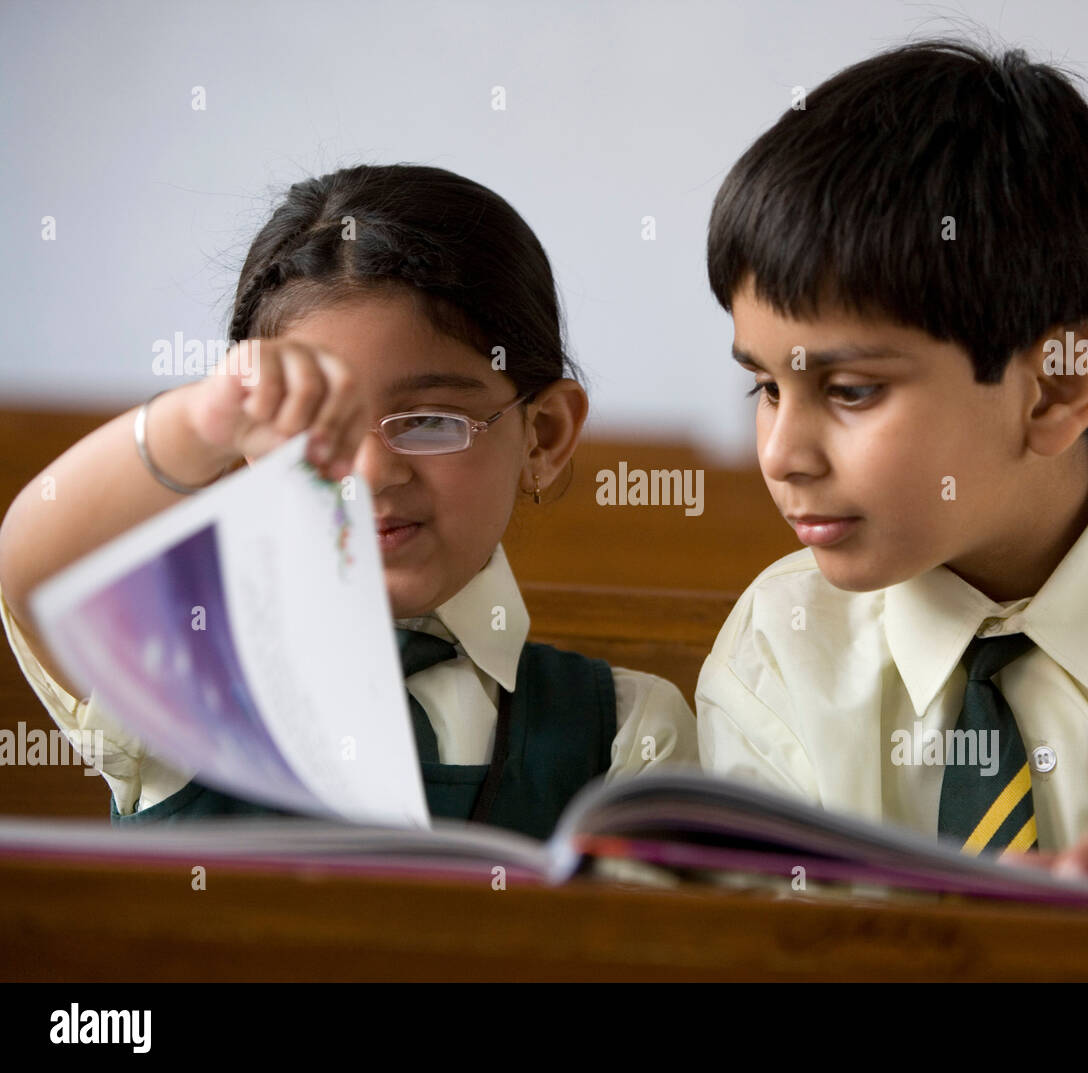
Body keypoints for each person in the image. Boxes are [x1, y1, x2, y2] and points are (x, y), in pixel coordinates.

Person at [694, 40, 1088, 925]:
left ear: (1055, 386)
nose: (783, 453)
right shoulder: (779, 649)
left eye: (851, 389)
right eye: (765, 386)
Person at [0, 163, 697, 839]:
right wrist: (194, 425)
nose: (370, 472)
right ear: (249, 448)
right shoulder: (183, 669)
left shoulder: (625, 731)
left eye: (429, 421)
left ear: (542, 435)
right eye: (314, 427)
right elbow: (33, 569)